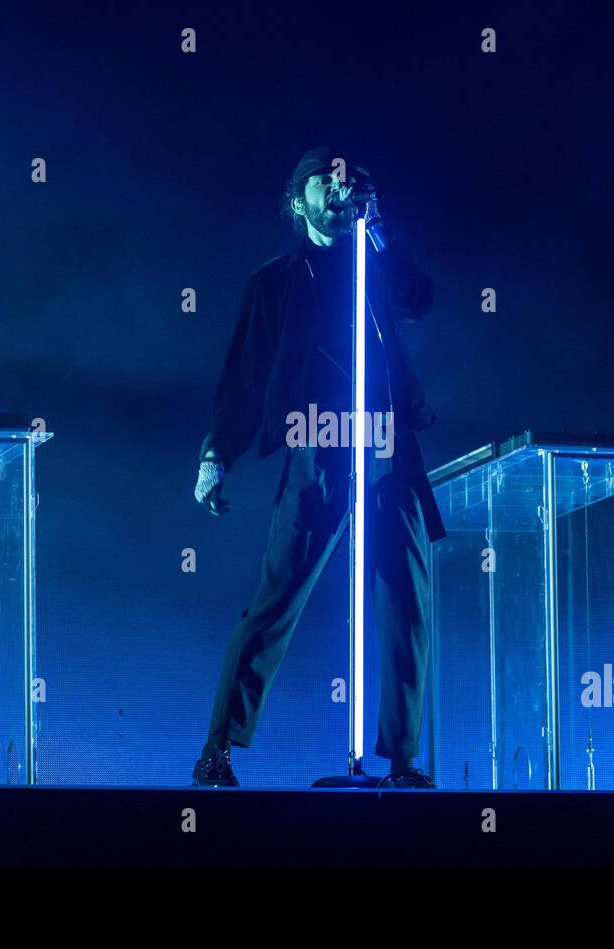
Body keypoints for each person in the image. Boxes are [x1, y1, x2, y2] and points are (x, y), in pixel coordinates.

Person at [192, 147, 445, 788]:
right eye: (321, 181)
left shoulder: (373, 262)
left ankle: (405, 761)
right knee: (277, 595)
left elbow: (420, 297)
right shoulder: (275, 281)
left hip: (386, 442)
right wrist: (216, 455)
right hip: (317, 442)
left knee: (406, 597)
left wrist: (377, 220)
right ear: (297, 197)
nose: (335, 190)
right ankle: (218, 746)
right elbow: (244, 380)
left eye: (345, 181)